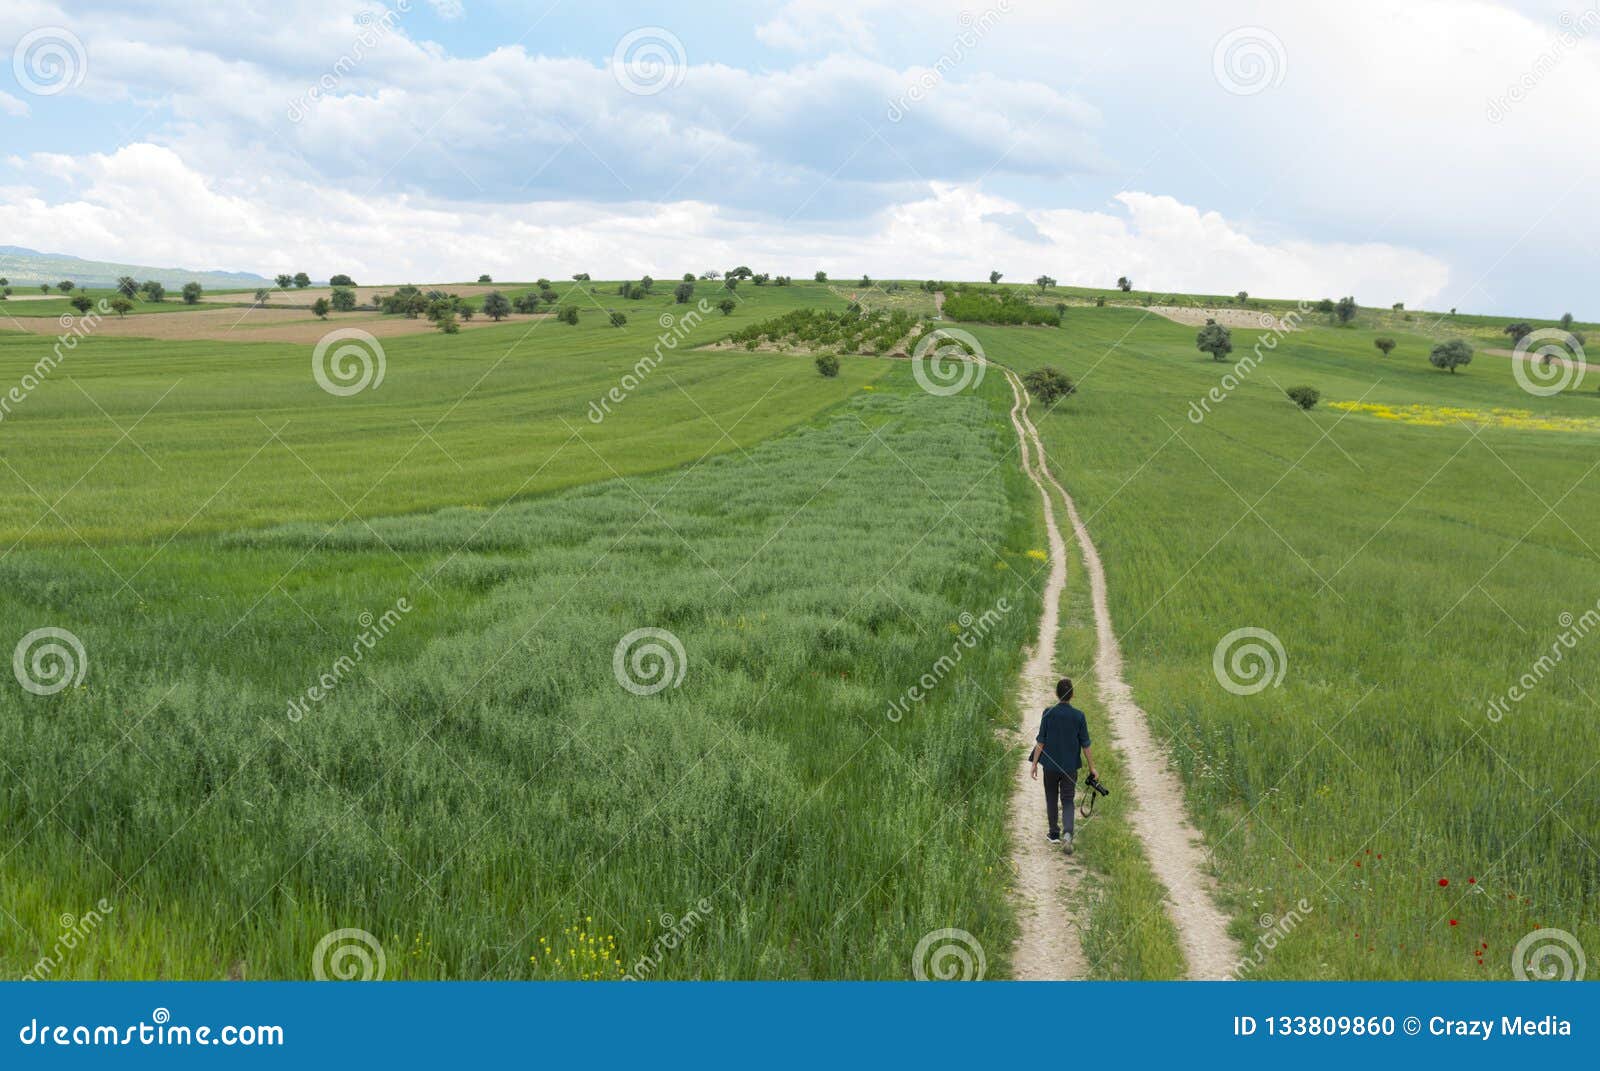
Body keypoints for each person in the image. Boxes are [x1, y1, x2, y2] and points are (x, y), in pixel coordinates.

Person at [1028, 678, 1096, 853]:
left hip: (1050, 766)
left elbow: (1040, 742)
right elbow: (1086, 744)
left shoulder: (1048, 713)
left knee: (1051, 796)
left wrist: (1034, 764)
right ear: (1072, 695)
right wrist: (1092, 768)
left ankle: (1053, 834)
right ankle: (1067, 833)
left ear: (1056, 694)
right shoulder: (1079, 716)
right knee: (1067, 800)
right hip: (1069, 767)